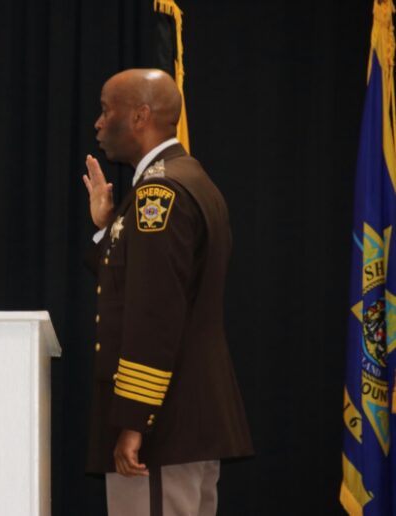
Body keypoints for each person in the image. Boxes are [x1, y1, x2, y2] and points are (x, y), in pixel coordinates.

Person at [82, 69, 252, 516]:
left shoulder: (159, 193)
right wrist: (106, 226)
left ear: (140, 116)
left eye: (106, 110)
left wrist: (134, 421)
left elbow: (155, 315)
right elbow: (143, 279)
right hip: (185, 416)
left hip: (162, 425)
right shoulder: (187, 177)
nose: (98, 123)